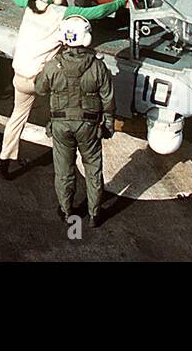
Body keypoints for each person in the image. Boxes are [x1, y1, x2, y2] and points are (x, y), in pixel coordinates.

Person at [0, 0, 126, 180]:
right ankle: (68, 156)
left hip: (20, 75)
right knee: (66, 113)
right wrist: (122, 1)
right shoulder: (62, 13)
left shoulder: (32, 4)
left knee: (17, 116)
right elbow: (98, 12)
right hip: (42, 80)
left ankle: (3, 161)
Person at [34, 16, 115, 227]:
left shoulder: (54, 65)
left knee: (63, 170)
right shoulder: (98, 67)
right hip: (89, 126)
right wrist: (108, 124)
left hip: (61, 125)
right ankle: (95, 214)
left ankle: (66, 209)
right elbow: (108, 98)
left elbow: (40, 88)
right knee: (93, 168)